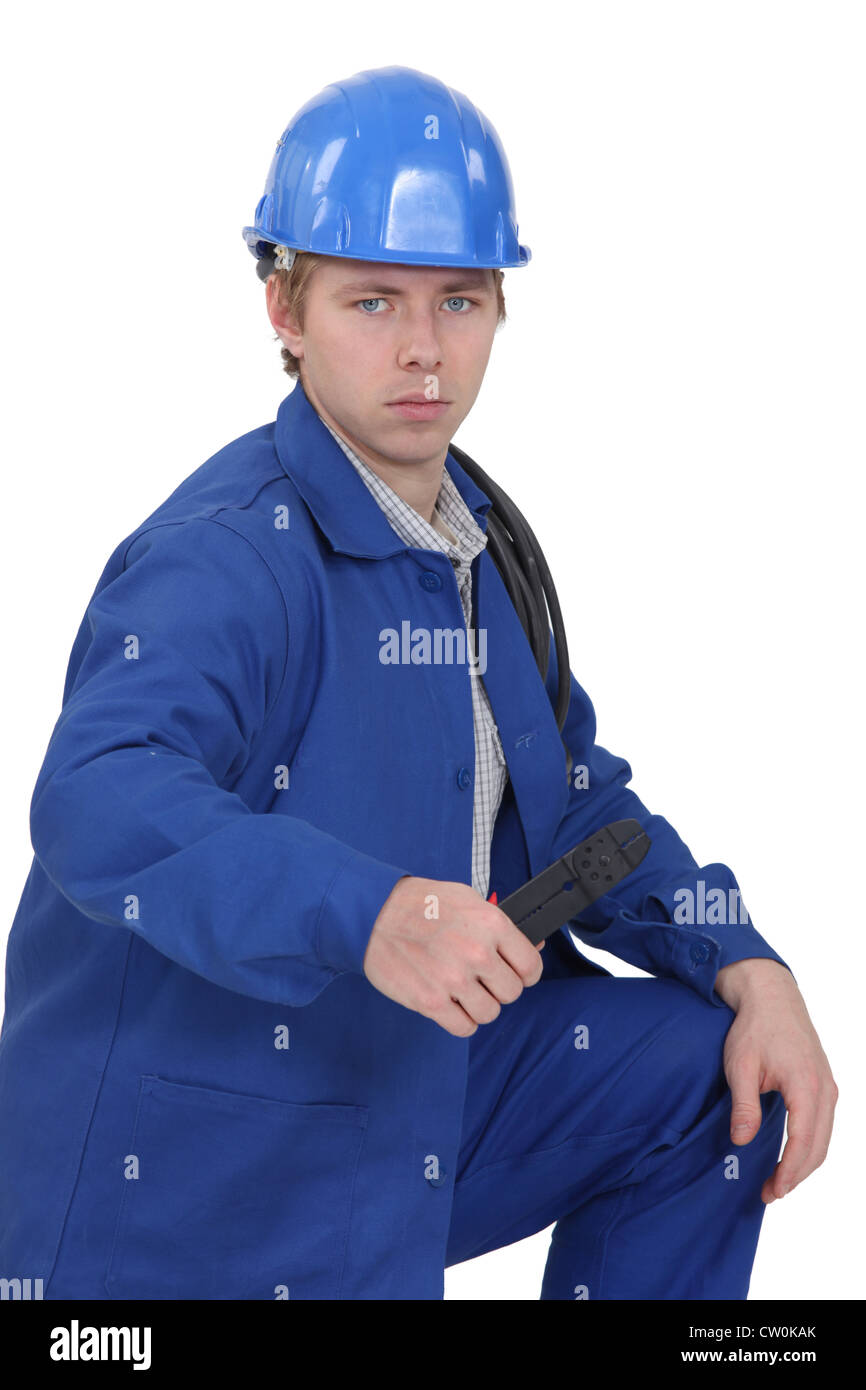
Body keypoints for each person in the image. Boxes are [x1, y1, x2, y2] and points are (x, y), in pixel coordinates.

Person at [0, 65, 836, 1302]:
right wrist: (372, 911)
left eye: (457, 301)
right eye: (370, 299)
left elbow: (577, 814)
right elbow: (98, 794)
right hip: (200, 1160)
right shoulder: (229, 555)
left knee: (717, 1075)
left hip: (395, 1094)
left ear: (498, 308)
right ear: (283, 308)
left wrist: (746, 963)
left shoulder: (475, 545)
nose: (419, 350)